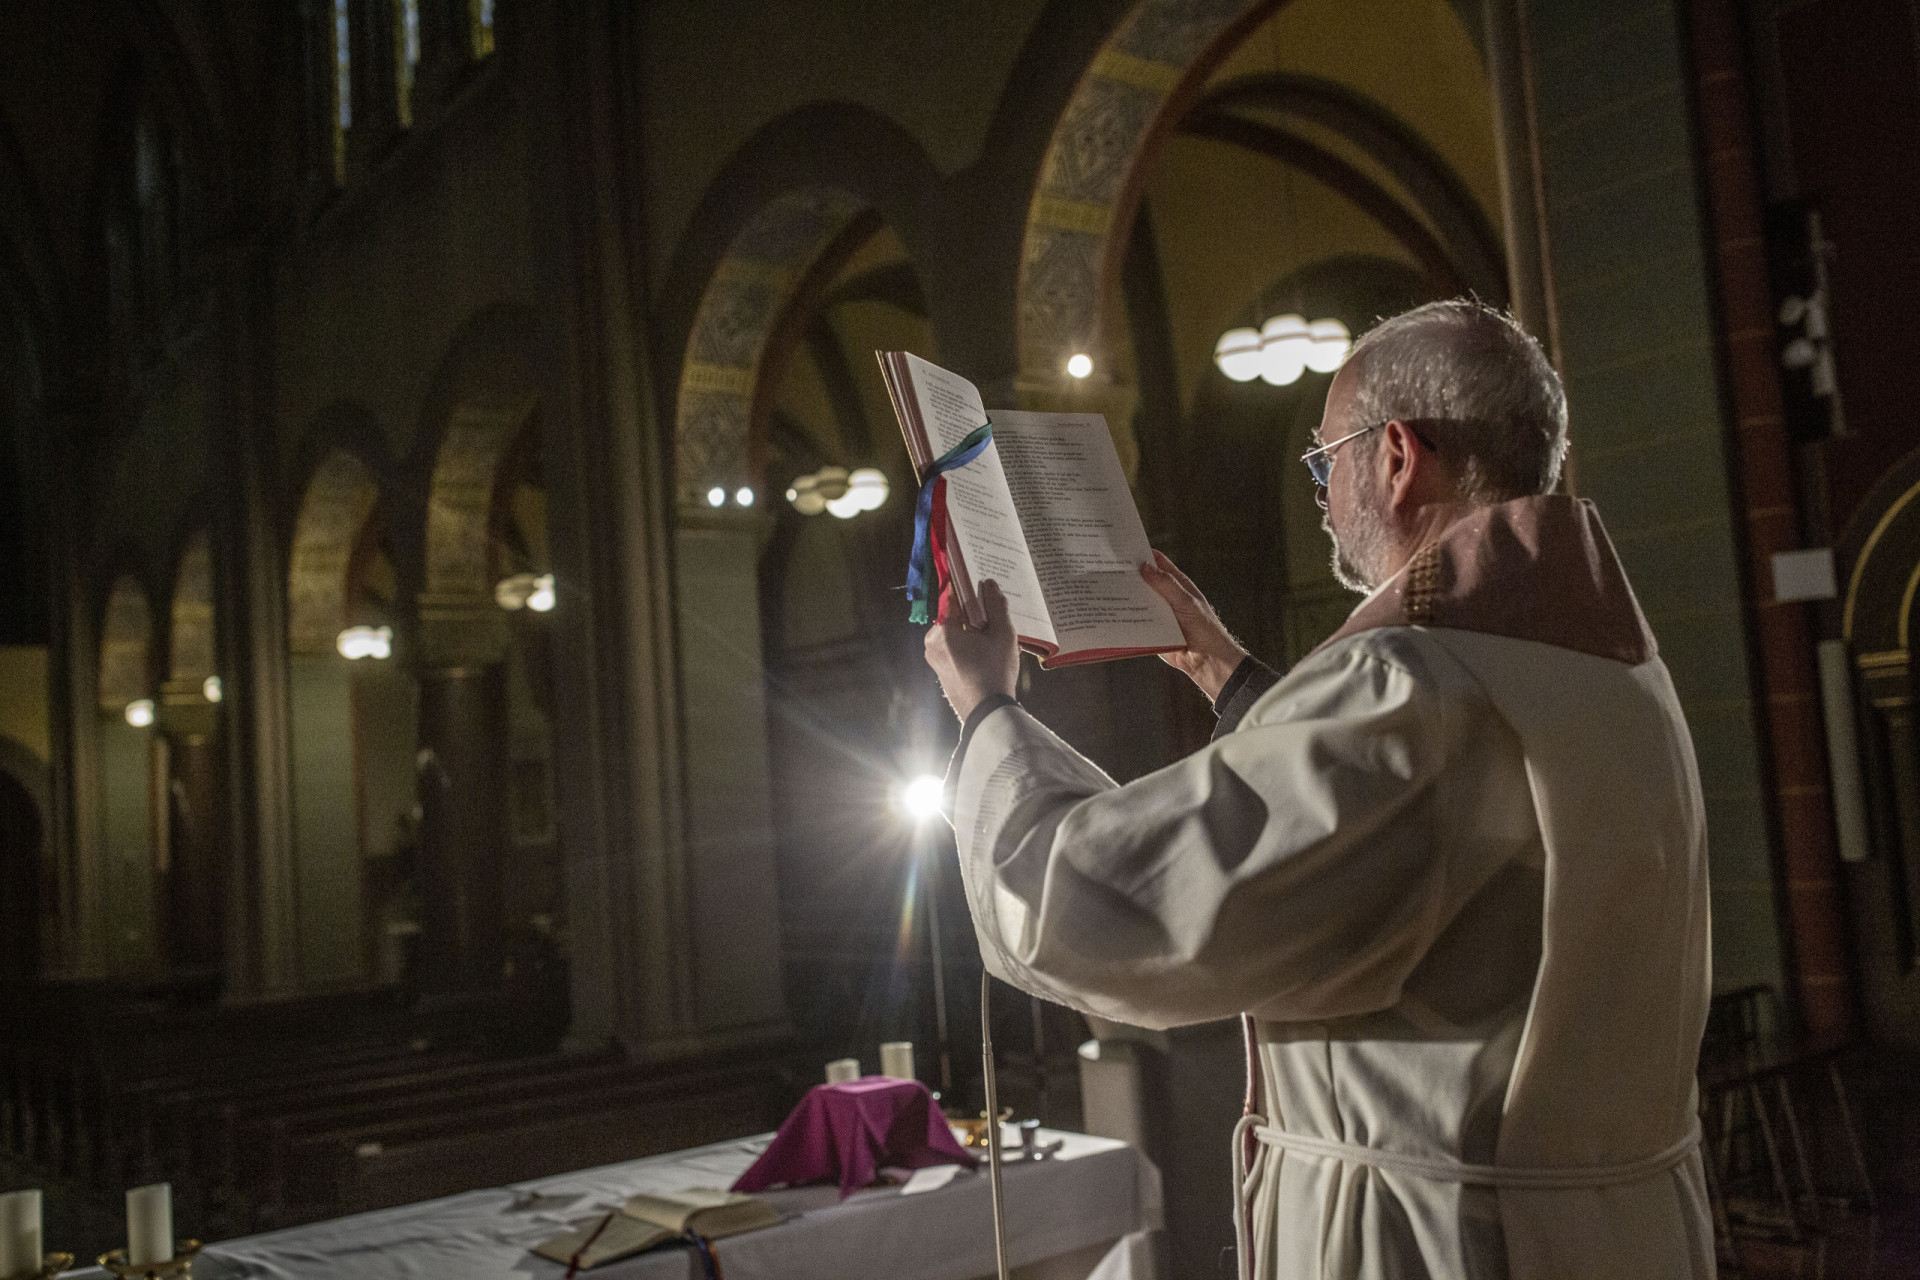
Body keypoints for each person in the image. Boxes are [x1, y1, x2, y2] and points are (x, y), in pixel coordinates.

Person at [923, 300, 1714, 1280]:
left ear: (1396, 456)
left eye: (1324, 459)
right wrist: (1228, 676)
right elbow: (1415, 828)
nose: (1323, 494)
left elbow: (1107, 906)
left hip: (1446, 1240)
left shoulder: (1414, 686)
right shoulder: (1607, 668)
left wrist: (988, 711)